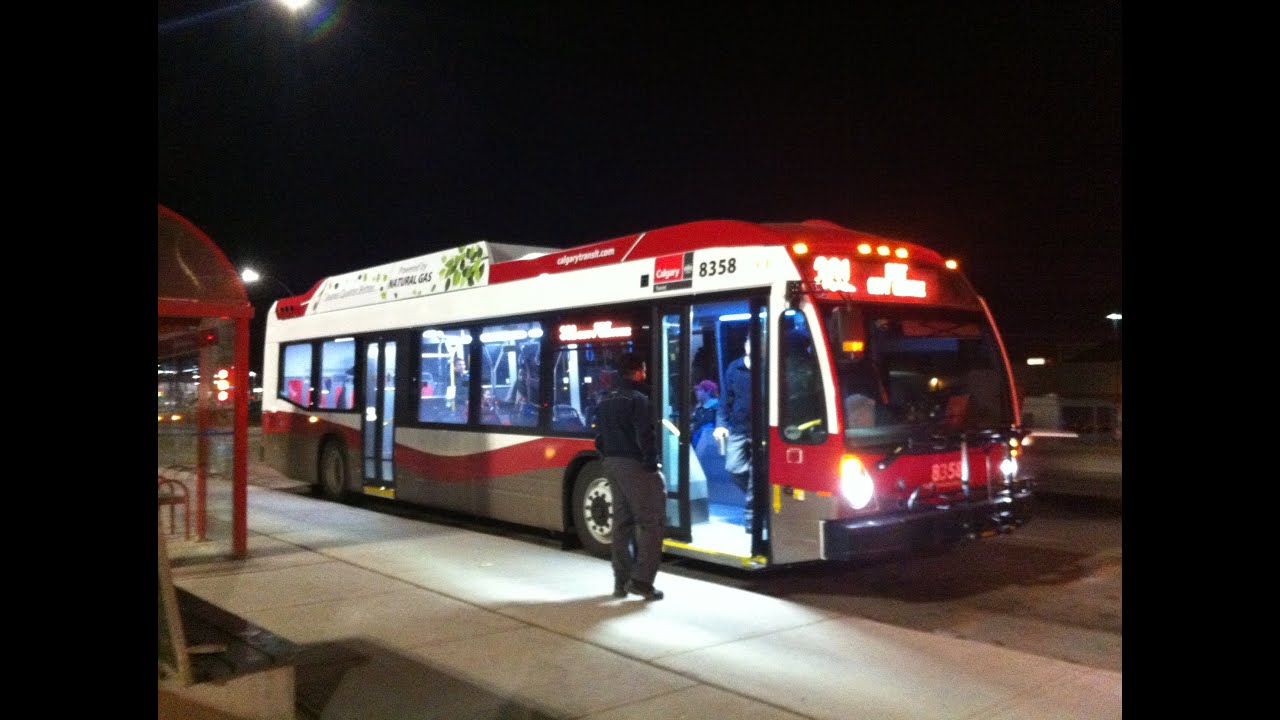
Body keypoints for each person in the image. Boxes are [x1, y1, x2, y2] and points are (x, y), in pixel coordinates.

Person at [594, 351, 665, 600]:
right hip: (633, 463)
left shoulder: (604, 400)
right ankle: (643, 581)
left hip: (611, 463)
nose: (644, 374)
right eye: (643, 370)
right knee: (651, 521)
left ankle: (620, 581)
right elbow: (645, 435)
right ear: (636, 371)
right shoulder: (638, 399)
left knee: (622, 523)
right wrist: (651, 464)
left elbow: (599, 439)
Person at [714, 336, 753, 532]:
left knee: (755, 473)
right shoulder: (734, 368)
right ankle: (758, 497)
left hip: (761, 431)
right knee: (734, 468)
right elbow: (725, 399)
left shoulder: (769, 367)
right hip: (738, 428)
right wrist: (720, 424)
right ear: (746, 345)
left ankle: (751, 517)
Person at [690, 379, 719, 448]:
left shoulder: (716, 408)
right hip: (697, 444)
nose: (696, 393)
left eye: (699, 390)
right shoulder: (699, 408)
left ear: (708, 391)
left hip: (709, 447)